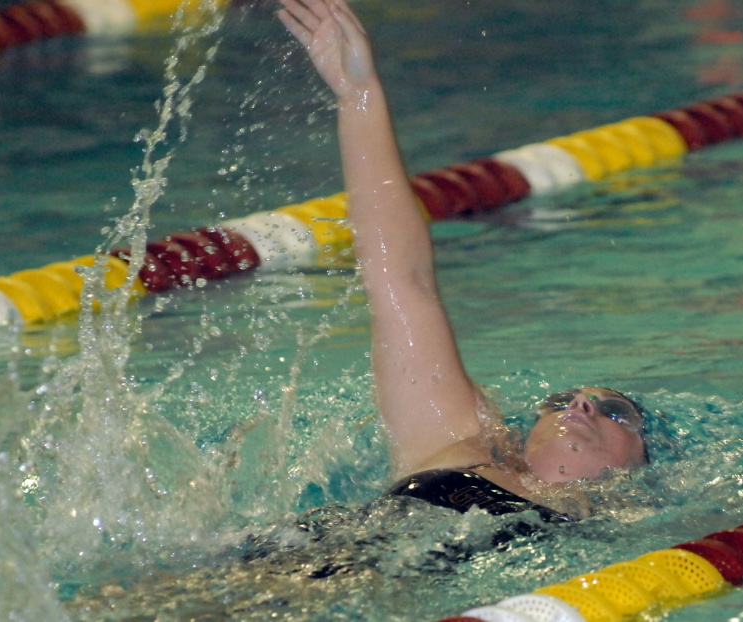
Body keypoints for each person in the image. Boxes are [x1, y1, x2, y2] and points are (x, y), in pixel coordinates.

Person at [276, 0, 648, 522]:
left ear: (643, 464)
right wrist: (359, 95)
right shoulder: (458, 443)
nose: (578, 406)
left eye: (614, 412)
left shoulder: (634, 526)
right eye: (562, 399)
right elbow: (401, 279)